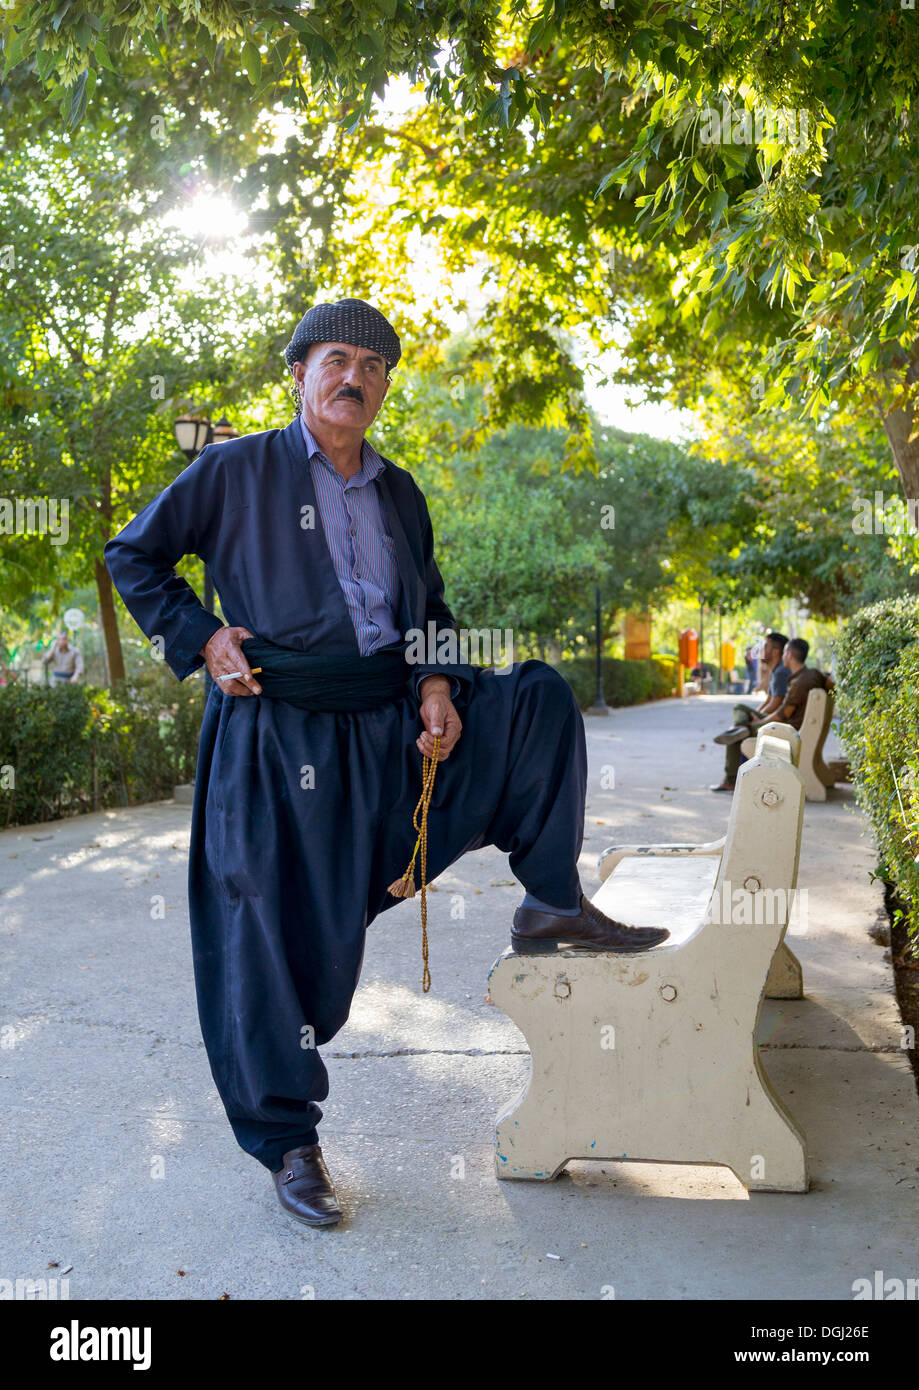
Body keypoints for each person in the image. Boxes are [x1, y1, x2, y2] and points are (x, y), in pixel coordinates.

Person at [104, 297, 670, 1230]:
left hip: (386, 723)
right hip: (274, 732)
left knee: (532, 698)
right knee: (269, 932)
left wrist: (438, 685)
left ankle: (551, 901)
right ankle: (288, 1142)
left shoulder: (398, 491)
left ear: (384, 386)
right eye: (334, 360)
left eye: (371, 367)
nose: (351, 379)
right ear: (298, 372)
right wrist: (202, 637)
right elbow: (136, 558)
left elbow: (429, 615)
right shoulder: (234, 468)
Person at [710, 630, 789, 792]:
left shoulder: (781, 673)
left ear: (775, 652)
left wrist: (758, 720)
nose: (761, 649)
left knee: (738, 711)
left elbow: (777, 703)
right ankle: (741, 728)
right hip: (772, 719)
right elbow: (768, 700)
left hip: (777, 723)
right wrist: (755, 715)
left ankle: (741, 730)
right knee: (737, 729)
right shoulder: (776, 671)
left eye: (766, 646)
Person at [776, 637, 831, 729]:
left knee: (745, 717)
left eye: (784, 653)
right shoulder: (815, 674)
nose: (782, 656)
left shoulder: (798, 683)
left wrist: (759, 722)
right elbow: (833, 688)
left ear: (789, 655)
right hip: (801, 727)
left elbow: (782, 715)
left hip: (789, 732)